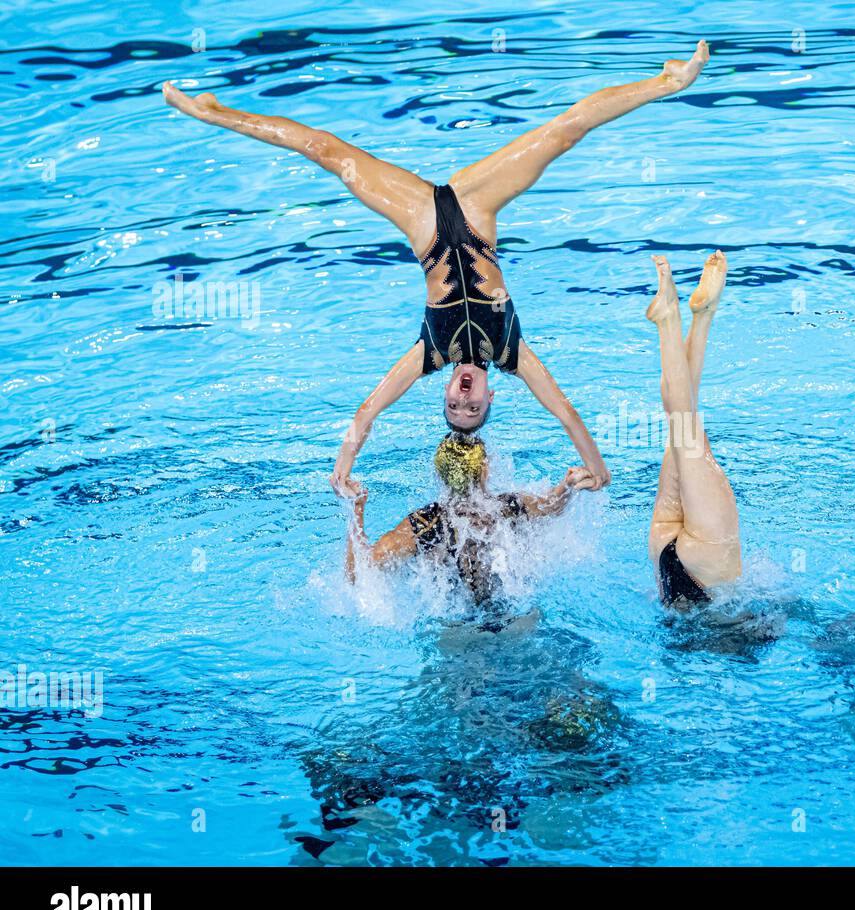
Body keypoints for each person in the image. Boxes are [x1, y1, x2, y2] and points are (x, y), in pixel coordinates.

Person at [160, 40, 712, 498]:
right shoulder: (510, 352)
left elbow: (368, 410)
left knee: (328, 151)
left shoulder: (430, 352)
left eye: (455, 405)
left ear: (446, 391)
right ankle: (667, 82)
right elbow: (565, 412)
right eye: (473, 407)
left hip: (424, 222)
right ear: (490, 398)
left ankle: (212, 110)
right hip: (476, 211)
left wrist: (343, 468)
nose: (464, 398)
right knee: (562, 133)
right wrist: (599, 469)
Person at [345, 432, 595, 604]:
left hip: (457, 632)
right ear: (485, 469)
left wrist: (356, 509)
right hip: (515, 618)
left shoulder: (425, 523)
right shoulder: (507, 507)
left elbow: (359, 573)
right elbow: (551, 507)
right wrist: (567, 485)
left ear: (440, 473)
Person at [643, 251, 742, 606]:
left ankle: (670, 322)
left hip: (709, 562)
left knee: (685, 429)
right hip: (665, 563)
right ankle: (701, 317)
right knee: (682, 427)